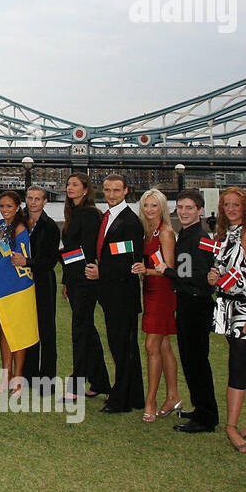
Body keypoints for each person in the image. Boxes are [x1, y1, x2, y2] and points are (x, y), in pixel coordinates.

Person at [208, 186, 246, 453]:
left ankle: (232, 426)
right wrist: (214, 276)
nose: (230, 209)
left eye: (236, 205)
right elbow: (225, 268)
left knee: (238, 364)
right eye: (226, 205)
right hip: (226, 305)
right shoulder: (225, 234)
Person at [86, 174, 145, 413]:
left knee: (123, 348)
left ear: (126, 191)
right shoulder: (106, 217)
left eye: (116, 190)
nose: (111, 194)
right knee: (122, 346)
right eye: (107, 190)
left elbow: (130, 260)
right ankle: (134, 396)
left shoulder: (130, 221)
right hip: (109, 293)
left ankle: (120, 399)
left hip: (123, 294)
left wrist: (102, 271)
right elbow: (107, 252)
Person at [171, 189, 220, 434]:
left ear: (200, 210)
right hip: (186, 302)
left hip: (196, 304)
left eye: (189, 208)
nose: (183, 212)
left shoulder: (199, 236)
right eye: (180, 207)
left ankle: (207, 417)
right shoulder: (186, 234)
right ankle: (201, 408)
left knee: (197, 361)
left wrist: (164, 271)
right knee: (190, 361)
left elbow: (197, 276)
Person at [61, 173, 110, 400]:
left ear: (85, 189)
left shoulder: (90, 214)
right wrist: (65, 281)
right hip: (74, 280)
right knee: (88, 331)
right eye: (69, 184)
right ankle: (100, 382)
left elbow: (87, 251)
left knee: (80, 331)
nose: (70, 188)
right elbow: (72, 249)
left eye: (75, 185)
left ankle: (77, 385)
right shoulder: (74, 213)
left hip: (85, 281)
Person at [134, 188, 181, 422]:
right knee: (163, 345)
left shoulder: (165, 232)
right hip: (150, 289)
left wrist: (147, 270)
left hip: (162, 292)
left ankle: (150, 400)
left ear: (162, 208)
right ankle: (173, 395)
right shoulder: (148, 231)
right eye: (146, 205)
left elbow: (170, 269)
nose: (149, 210)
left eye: (154, 206)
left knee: (152, 345)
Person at [0, 191, 39, 395]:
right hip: (0, 285)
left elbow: (22, 257)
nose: (5, 210)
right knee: (5, 332)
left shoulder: (20, 228)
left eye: (9, 206)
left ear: (17, 207)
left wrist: (0, 260)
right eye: (2, 206)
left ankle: (18, 380)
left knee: (18, 333)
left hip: (17, 287)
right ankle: (5, 377)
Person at [20, 185, 60, 388]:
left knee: (46, 330)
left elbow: (49, 261)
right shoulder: (19, 223)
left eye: (37, 199)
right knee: (28, 329)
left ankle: (47, 380)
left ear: (45, 202)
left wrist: (26, 261)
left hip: (43, 282)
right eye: (30, 198)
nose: (33, 202)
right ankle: (28, 375)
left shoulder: (50, 227)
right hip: (23, 283)